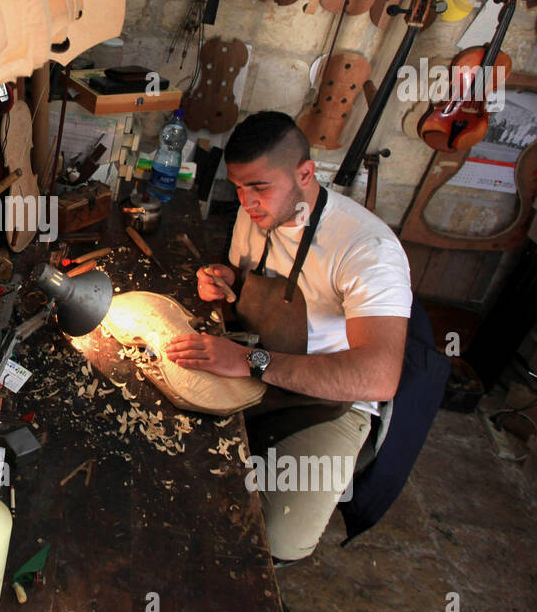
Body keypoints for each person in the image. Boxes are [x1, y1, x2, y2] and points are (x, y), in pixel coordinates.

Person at [163, 112, 412, 562]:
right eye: (238, 188)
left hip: (331, 400)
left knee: (275, 536)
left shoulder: (366, 248)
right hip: (257, 360)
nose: (247, 202)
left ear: (305, 174)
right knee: (179, 454)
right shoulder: (252, 212)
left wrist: (249, 362)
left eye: (259, 188)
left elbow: (379, 376)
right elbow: (250, 284)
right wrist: (225, 282)